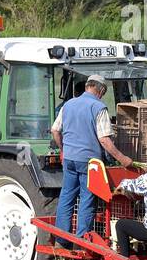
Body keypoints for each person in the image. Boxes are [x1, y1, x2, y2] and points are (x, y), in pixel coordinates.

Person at [51, 74, 134, 237]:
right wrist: (123, 159)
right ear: (101, 90)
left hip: (69, 159)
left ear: (87, 86)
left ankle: (62, 237)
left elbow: (55, 130)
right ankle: (83, 239)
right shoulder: (98, 107)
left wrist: (63, 149)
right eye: (103, 92)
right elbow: (104, 140)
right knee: (87, 199)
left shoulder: (68, 105)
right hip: (88, 162)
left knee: (67, 196)